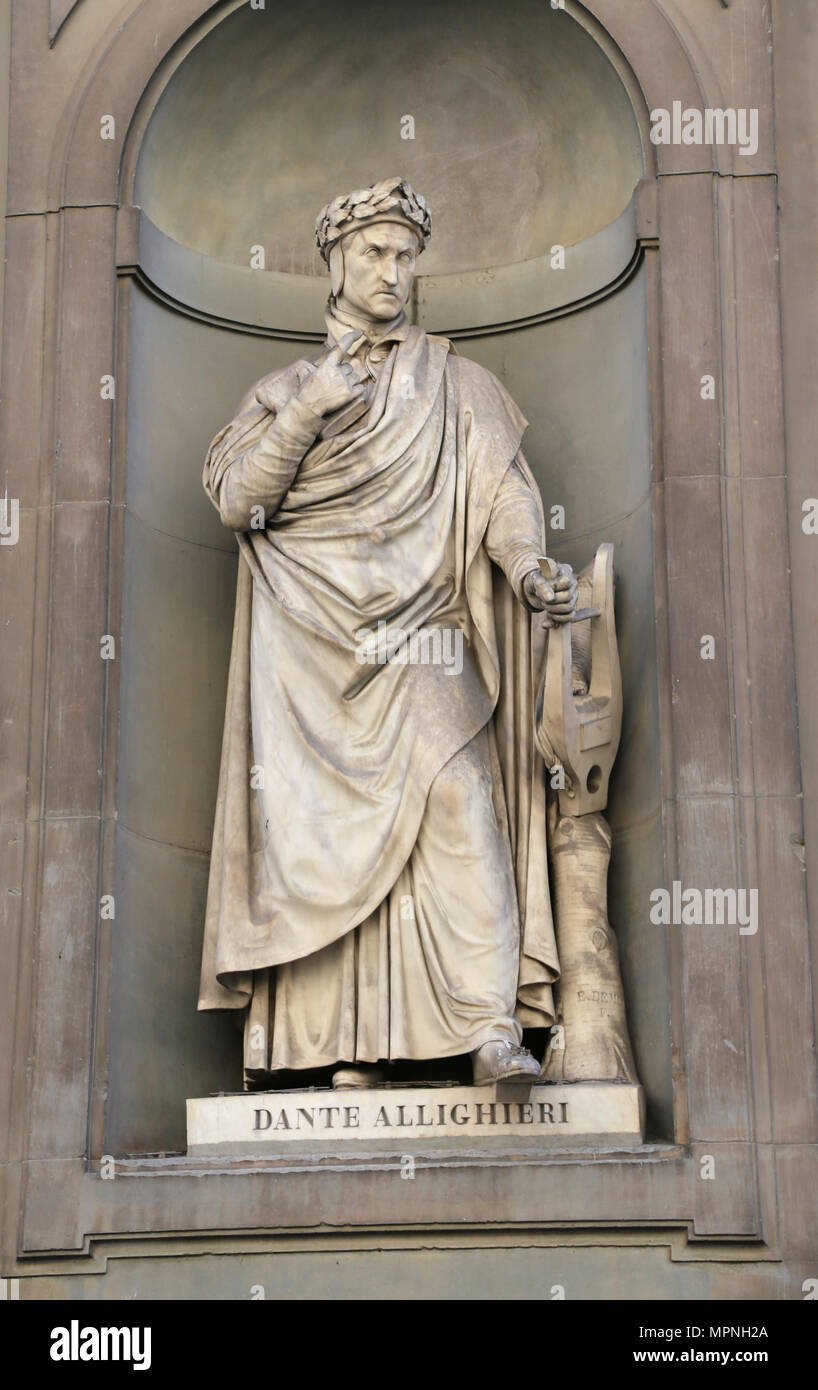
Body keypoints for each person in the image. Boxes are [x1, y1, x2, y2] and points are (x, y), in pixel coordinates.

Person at [198, 176, 578, 1088]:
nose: (392, 272)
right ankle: (348, 1047)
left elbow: (502, 493)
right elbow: (237, 499)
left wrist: (528, 567)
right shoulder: (287, 387)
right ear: (334, 261)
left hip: (427, 642)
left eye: (406, 256)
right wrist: (306, 411)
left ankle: (490, 1030)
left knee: (462, 810)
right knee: (322, 837)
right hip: (314, 658)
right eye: (374, 252)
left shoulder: (459, 383)